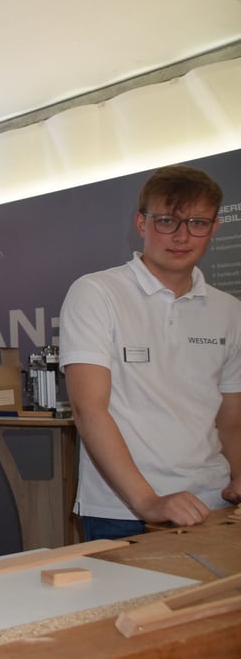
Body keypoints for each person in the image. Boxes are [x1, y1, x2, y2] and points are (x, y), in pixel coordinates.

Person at [59, 164, 241, 541]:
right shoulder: (97, 293)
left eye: (197, 223)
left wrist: (238, 475)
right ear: (142, 223)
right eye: (167, 221)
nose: (182, 236)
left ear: (214, 228)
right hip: (123, 510)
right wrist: (148, 502)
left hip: (213, 503)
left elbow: (231, 419)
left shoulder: (230, 311)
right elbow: (88, 408)